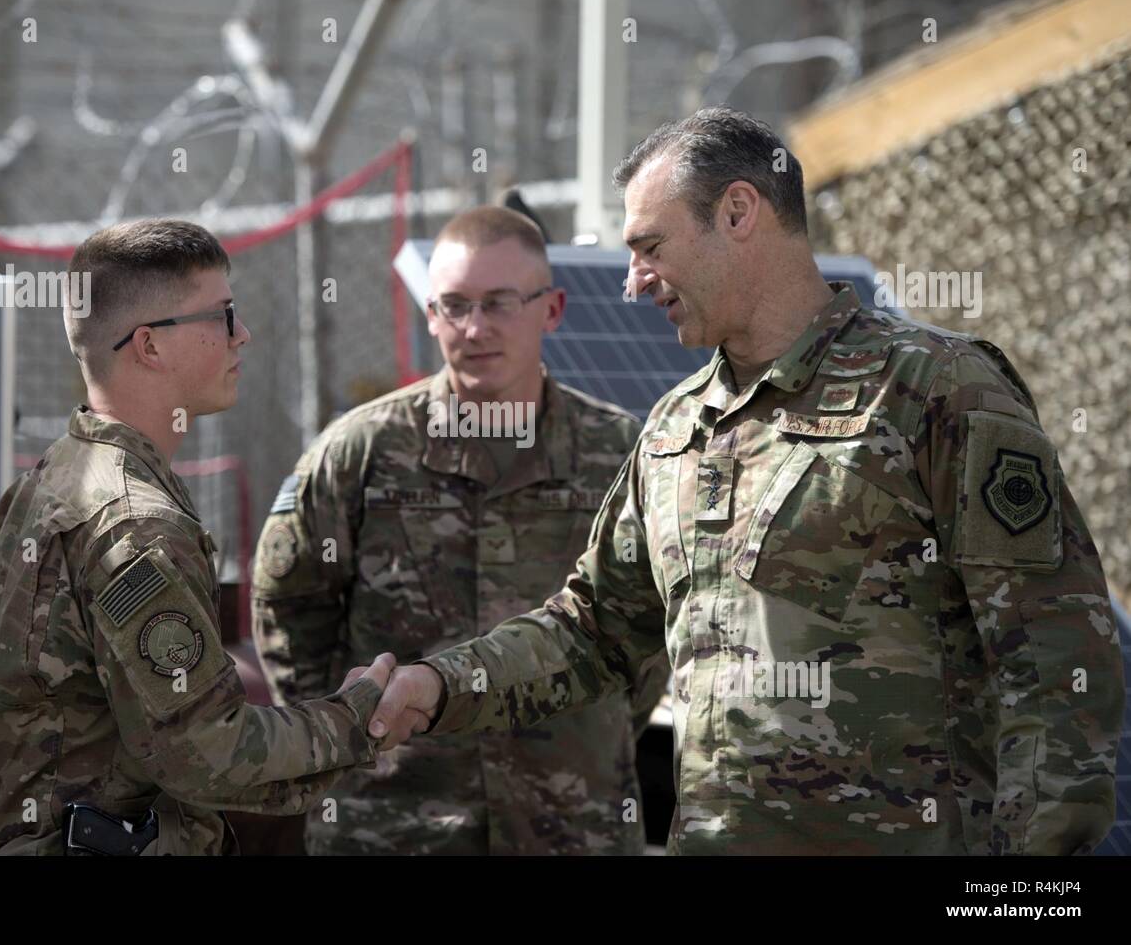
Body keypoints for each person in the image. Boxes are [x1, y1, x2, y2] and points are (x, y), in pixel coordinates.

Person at [360, 108, 1125, 855]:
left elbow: (1057, 657)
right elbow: (590, 630)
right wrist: (440, 684)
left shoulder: (935, 390)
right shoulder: (672, 430)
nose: (632, 281)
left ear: (737, 212)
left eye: (650, 245)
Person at [0, 218, 416, 856]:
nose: (244, 335)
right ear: (149, 346)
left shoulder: (51, 479)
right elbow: (209, 755)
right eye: (224, 316)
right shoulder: (137, 524)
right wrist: (358, 717)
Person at [252, 206, 668, 855]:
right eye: (454, 305)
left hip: (569, 821)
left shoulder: (622, 454)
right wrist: (355, 733)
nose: (475, 328)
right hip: (397, 825)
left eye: (500, 303)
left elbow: (646, 636)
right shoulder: (361, 453)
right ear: (429, 316)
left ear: (552, 309)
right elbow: (288, 606)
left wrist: (589, 730)